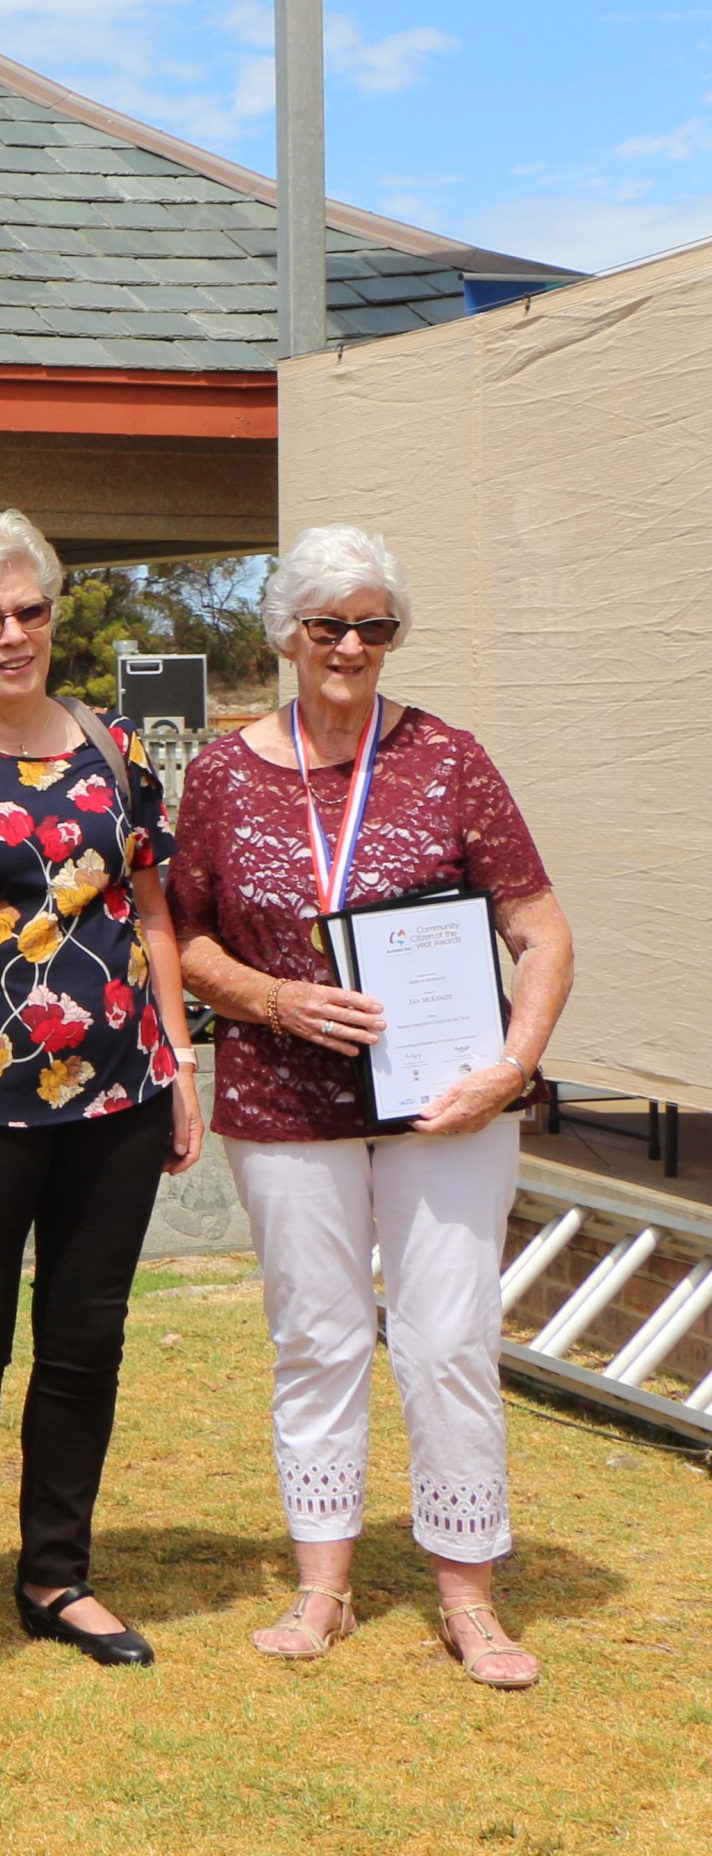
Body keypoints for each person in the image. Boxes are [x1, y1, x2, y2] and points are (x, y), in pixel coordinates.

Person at [167, 525, 572, 1690]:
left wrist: (513, 1064)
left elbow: (541, 929)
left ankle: (469, 1595)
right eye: (328, 625)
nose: (351, 646)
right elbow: (183, 938)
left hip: (447, 1100)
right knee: (317, 1339)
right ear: (287, 634)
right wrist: (274, 997)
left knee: (450, 1340)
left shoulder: (449, 759)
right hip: (283, 1100)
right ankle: (323, 1587)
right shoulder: (224, 773)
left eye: (375, 626)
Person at [0, 508, 198, 1685]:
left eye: (30, 610)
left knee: (84, 1339)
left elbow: (151, 912)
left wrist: (179, 1062)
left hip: (120, 1098)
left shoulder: (116, 747)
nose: (13, 635)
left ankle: (58, 1573)